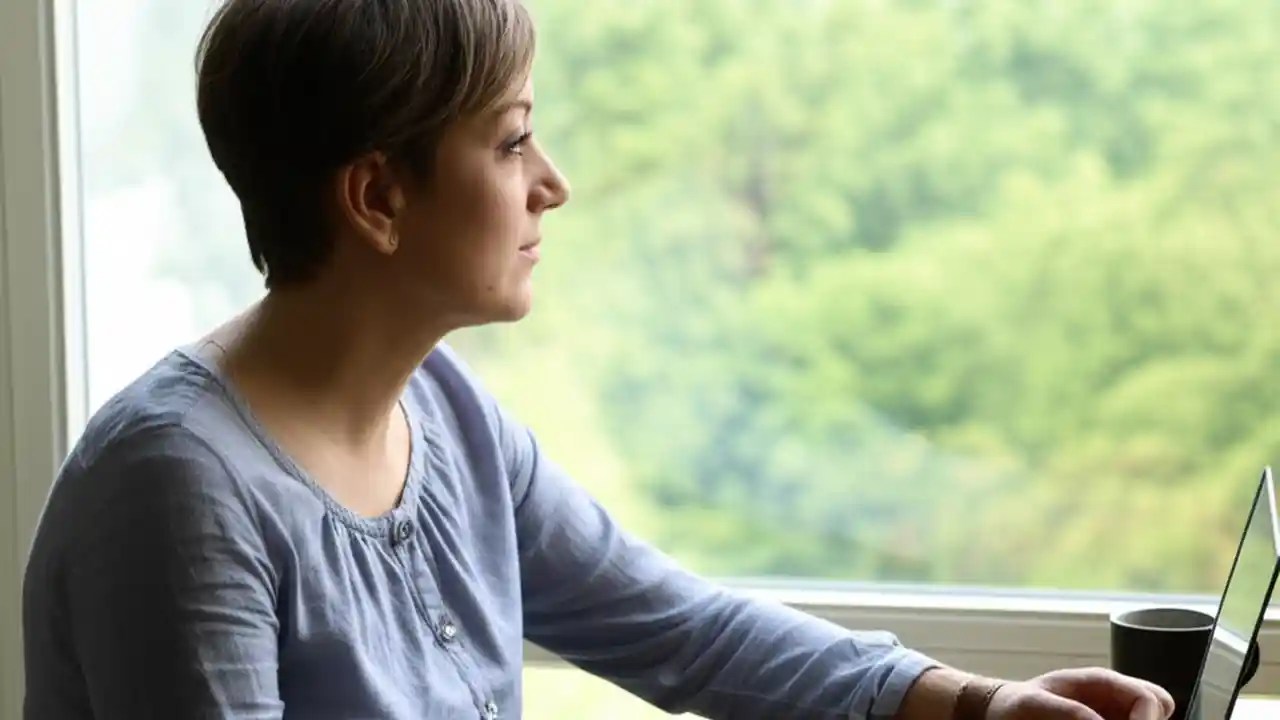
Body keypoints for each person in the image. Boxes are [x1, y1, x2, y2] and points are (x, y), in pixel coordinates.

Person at [22, 1, 1177, 718]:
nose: (551, 182)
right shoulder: (175, 492)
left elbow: (683, 630)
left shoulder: (444, 415)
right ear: (376, 196)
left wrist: (980, 705)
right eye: (512, 137)